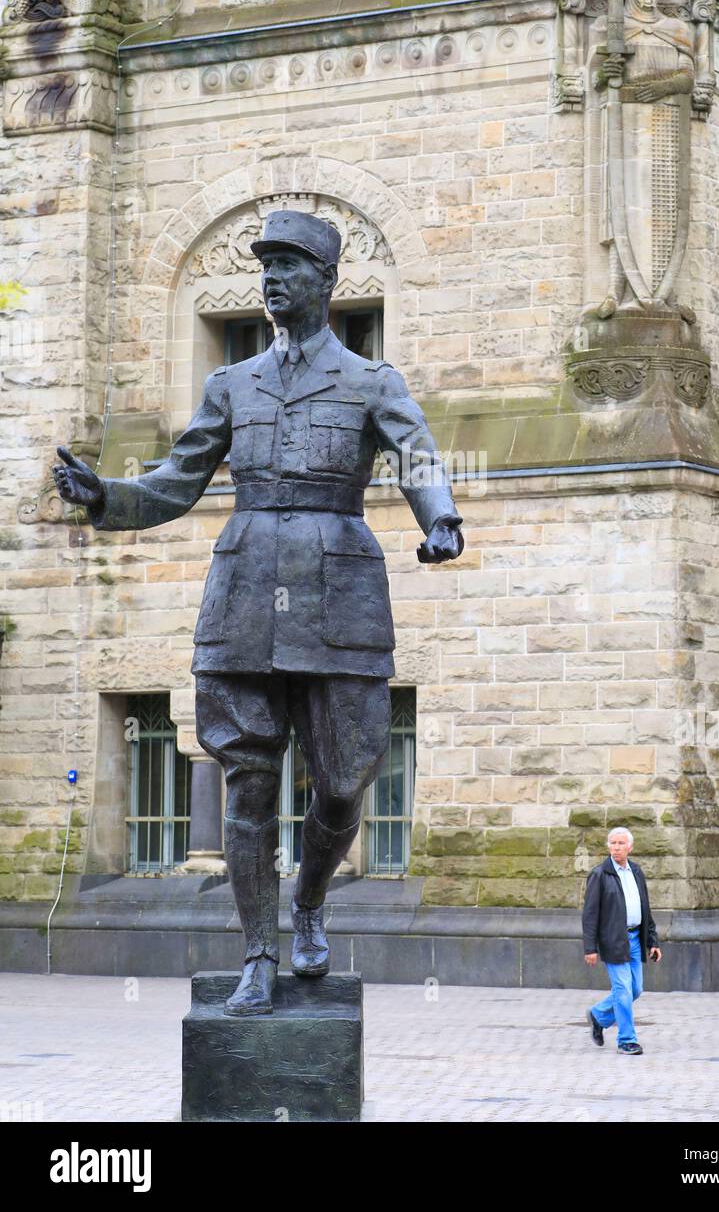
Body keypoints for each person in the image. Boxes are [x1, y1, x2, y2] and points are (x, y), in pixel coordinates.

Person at [52, 209, 465, 1017]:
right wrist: (106, 496)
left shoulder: (372, 381)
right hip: (244, 594)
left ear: (326, 282)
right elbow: (177, 480)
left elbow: (418, 455)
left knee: (346, 784)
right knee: (245, 784)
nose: (273, 279)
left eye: (289, 266)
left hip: (341, 594)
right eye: (265, 266)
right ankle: (257, 953)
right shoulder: (229, 386)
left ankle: (309, 900)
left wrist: (439, 517)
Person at [582, 826, 662, 1054]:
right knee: (623, 989)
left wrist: (652, 941)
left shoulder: (636, 872)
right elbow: (589, 915)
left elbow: (645, 908)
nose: (616, 847)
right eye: (613, 843)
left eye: (621, 843)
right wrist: (590, 948)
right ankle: (626, 1040)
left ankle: (598, 1015)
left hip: (636, 938)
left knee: (635, 989)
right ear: (608, 846)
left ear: (630, 847)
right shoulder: (600, 875)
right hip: (613, 940)